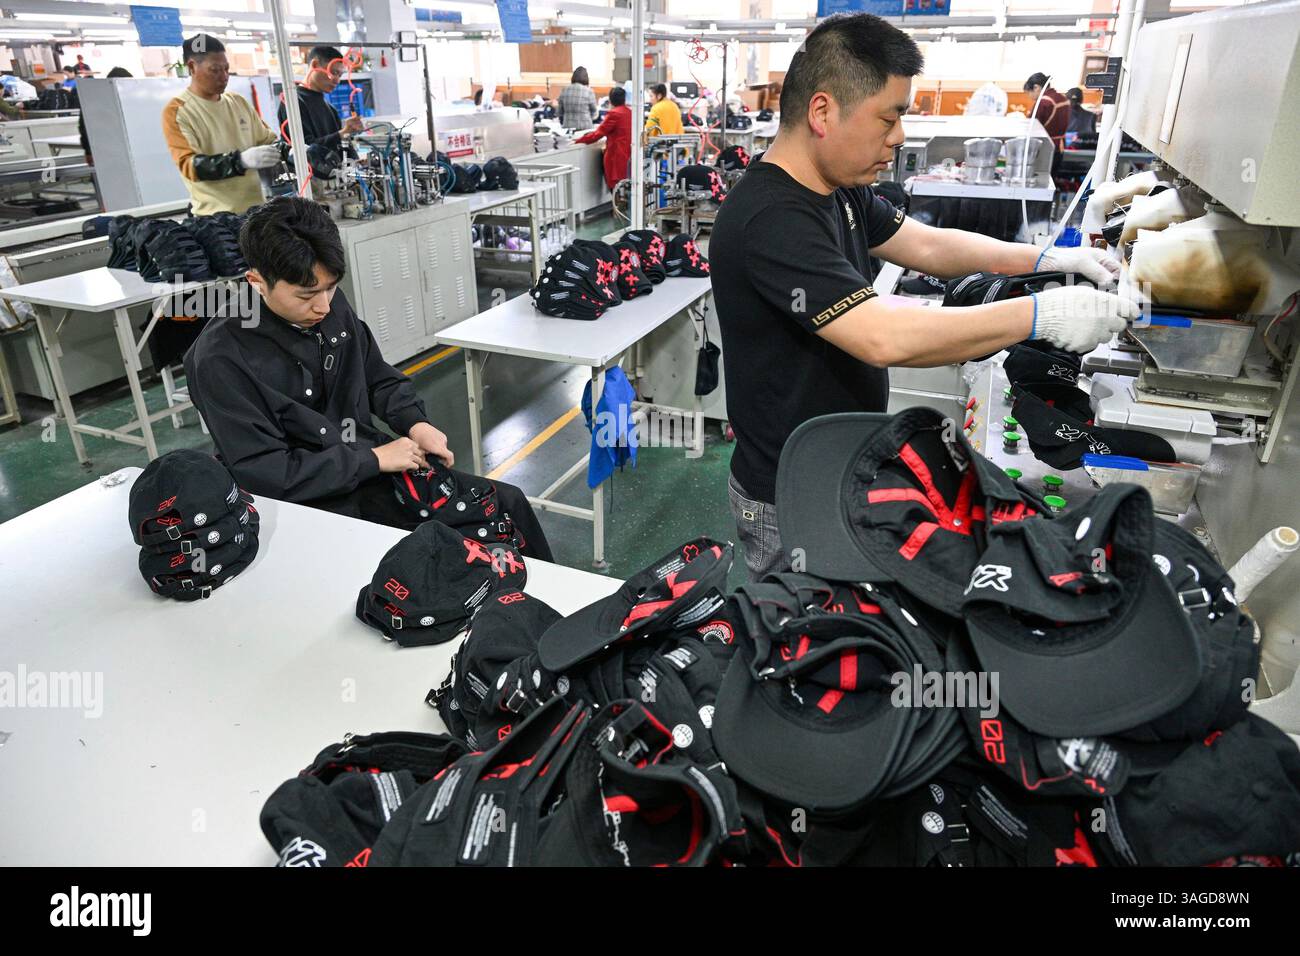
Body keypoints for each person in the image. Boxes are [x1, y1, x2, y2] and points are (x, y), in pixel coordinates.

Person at [709, 14, 1136, 581]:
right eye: (889, 118)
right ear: (822, 112)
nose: (899, 137)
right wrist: (1041, 314)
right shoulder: (771, 217)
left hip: (843, 465)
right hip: (793, 493)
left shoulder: (840, 190)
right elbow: (883, 336)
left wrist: (1049, 260)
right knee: (810, 649)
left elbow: (931, 246)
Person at [183, 197, 553, 558]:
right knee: (447, 557)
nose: (324, 306)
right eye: (307, 294)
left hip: (367, 465)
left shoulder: (329, 308)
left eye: (330, 287)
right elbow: (265, 473)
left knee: (507, 508)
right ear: (256, 281)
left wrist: (415, 422)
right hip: (308, 501)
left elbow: (378, 378)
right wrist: (373, 461)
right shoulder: (220, 359)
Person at [162, 34, 280, 216]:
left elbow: (267, 140)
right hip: (215, 221)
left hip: (256, 213)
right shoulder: (179, 111)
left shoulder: (237, 102)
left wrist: (290, 151)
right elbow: (190, 166)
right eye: (215, 70)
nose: (224, 76)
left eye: (226, 69)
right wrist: (239, 161)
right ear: (192, 67)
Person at [276, 45, 363, 154]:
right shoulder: (292, 102)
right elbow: (305, 148)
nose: (337, 80)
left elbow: (340, 148)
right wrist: (342, 133)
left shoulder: (330, 108)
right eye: (334, 72)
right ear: (315, 65)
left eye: (340, 75)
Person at [574, 86, 631, 191]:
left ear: (610, 100)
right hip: (628, 156)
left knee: (616, 190)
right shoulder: (630, 113)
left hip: (616, 157)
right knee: (626, 190)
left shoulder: (614, 113)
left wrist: (578, 141)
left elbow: (597, 134)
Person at [79, 66, 131, 163]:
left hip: (113, 151)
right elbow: (85, 127)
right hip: (107, 152)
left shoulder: (93, 100)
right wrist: (88, 152)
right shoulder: (95, 102)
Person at [1024, 71, 1071, 171]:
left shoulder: (1044, 102)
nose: (1030, 97)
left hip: (1046, 148)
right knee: (1052, 178)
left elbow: (1031, 126)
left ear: (1036, 87)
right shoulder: (1062, 98)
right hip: (1061, 145)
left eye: (1029, 93)